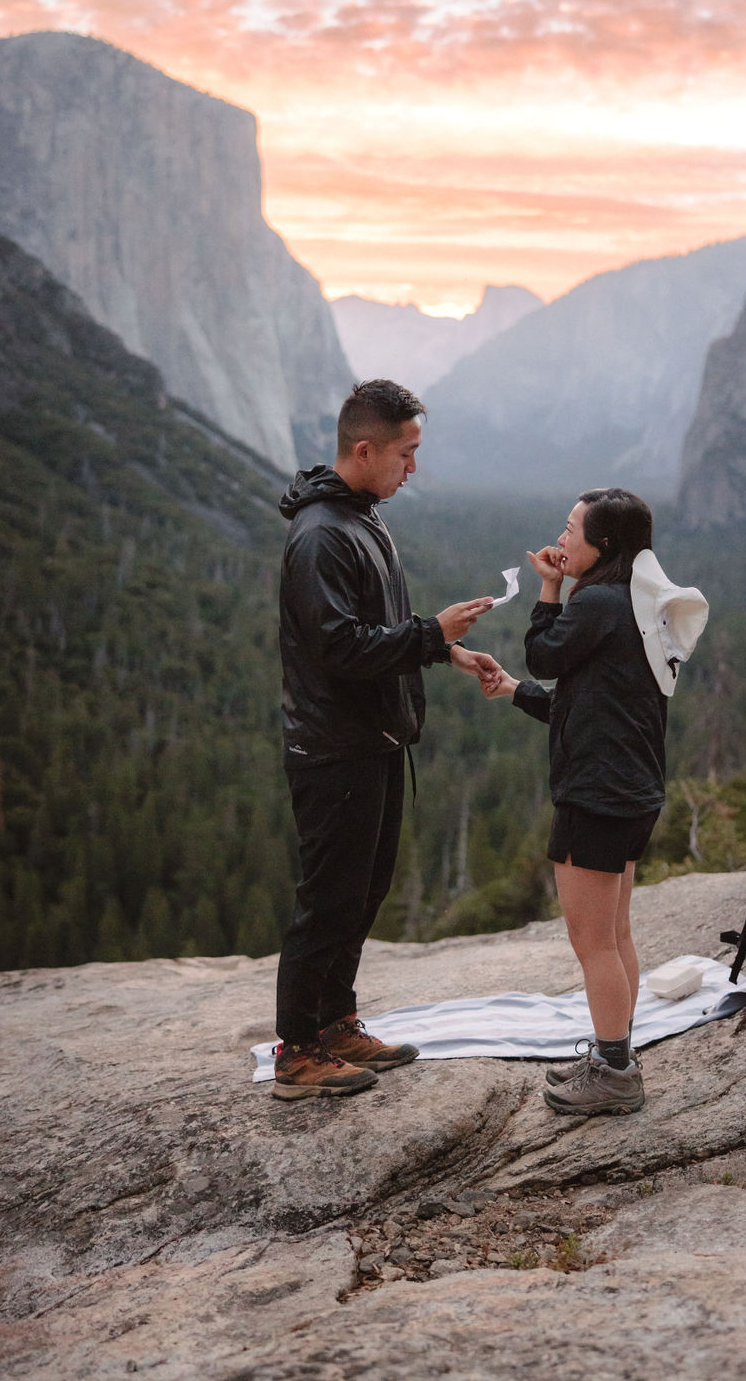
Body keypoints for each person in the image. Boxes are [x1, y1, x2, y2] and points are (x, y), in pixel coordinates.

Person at [273, 379, 499, 1102]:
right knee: (328, 897)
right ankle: (298, 1052)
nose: (413, 468)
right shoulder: (320, 536)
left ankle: (337, 1022)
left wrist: (441, 650)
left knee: (361, 891)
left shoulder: (359, 515)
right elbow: (340, 647)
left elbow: (377, 624)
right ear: (364, 449)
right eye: (406, 453)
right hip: (334, 747)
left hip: (371, 740)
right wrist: (431, 633)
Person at [482, 488, 687, 1117]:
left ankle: (616, 1072)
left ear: (604, 546)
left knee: (592, 942)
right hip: (632, 791)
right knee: (616, 932)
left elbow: (543, 653)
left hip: (595, 796)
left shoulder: (595, 600)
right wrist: (515, 692)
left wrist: (547, 590)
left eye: (572, 530)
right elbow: (585, 706)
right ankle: (613, 1053)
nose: (561, 539)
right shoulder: (636, 605)